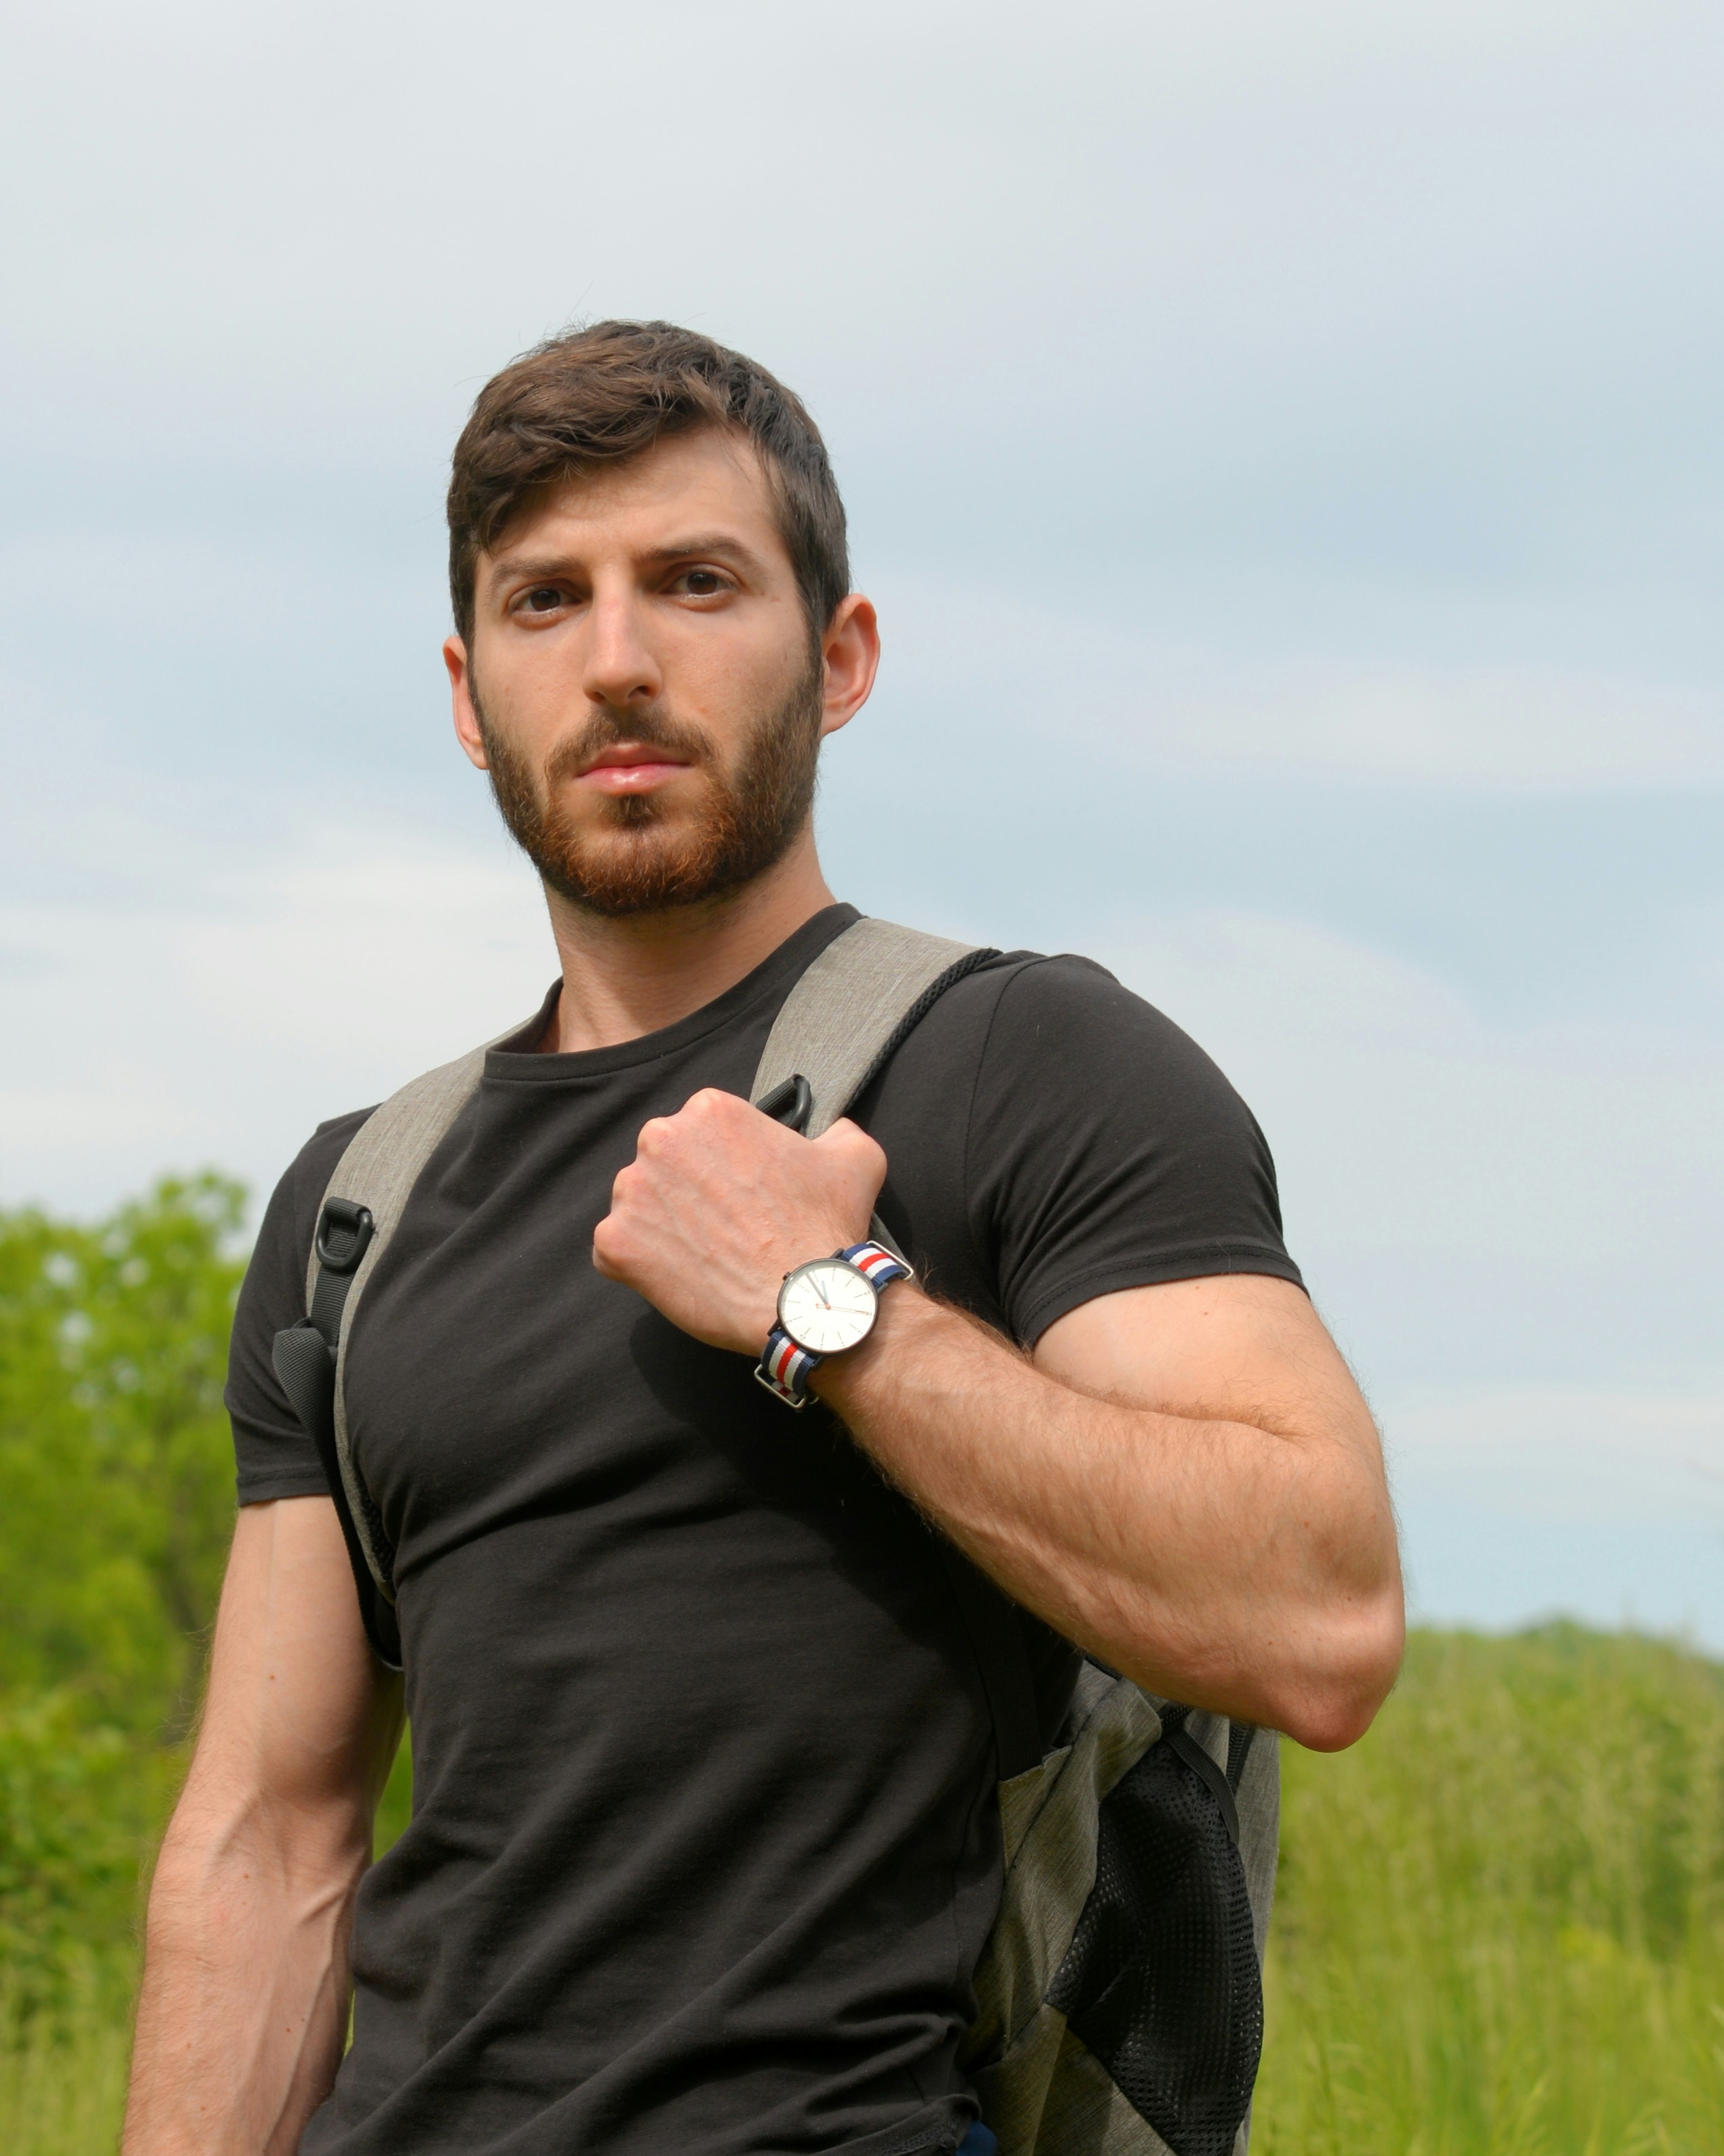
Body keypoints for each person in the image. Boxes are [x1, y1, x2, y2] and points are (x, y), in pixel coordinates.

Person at [121, 320, 1403, 2156]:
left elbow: (1319, 1613)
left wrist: (839, 1314)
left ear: (843, 653)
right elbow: (267, 1838)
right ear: (472, 694)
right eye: (547, 600)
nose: (620, 658)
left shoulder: (1030, 1064)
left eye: (696, 582)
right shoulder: (360, 1200)